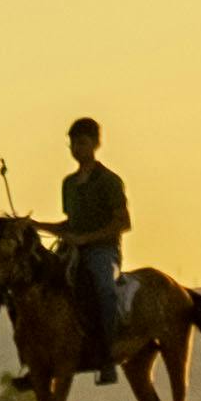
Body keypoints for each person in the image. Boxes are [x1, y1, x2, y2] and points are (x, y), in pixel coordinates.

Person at [56, 119, 132, 345]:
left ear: (95, 143)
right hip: (71, 250)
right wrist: (34, 225)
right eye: (73, 144)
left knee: (104, 290)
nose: (76, 149)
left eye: (82, 143)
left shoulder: (109, 181)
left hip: (103, 251)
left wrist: (86, 238)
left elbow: (123, 222)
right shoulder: (68, 183)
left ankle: (108, 349)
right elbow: (69, 224)